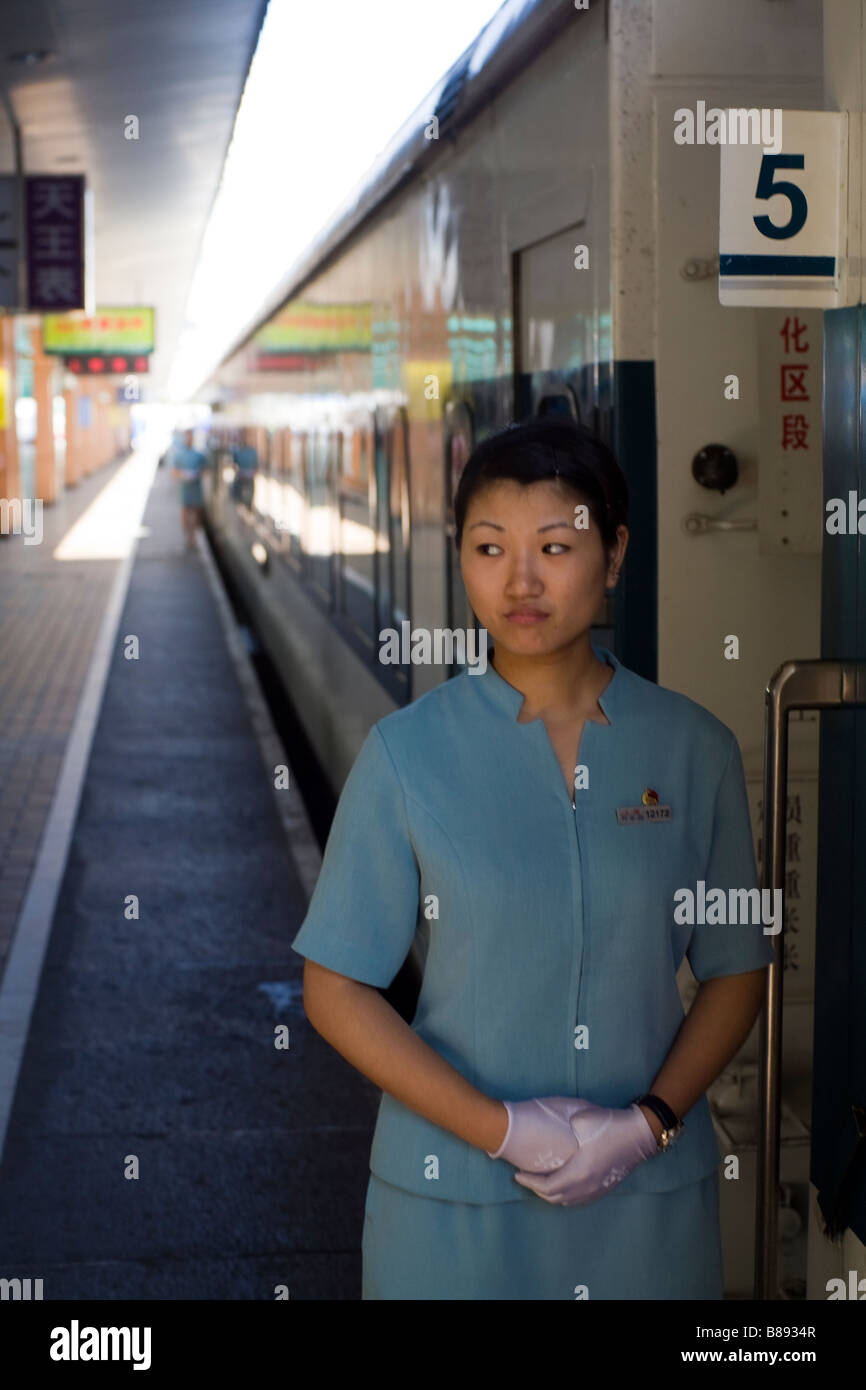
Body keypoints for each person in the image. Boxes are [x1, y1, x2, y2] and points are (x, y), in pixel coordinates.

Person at [292, 416, 775, 1301]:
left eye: (556, 545)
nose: (521, 579)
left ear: (616, 554)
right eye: (489, 547)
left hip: (647, 1208)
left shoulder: (693, 749)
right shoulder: (406, 755)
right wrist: (502, 1130)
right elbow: (335, 989)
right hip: (448, 1204)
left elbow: (739, 969)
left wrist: (651, 1122)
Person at [172, 428, 208, 551]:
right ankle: (188, 537)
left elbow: (206, 470)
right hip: (185, 489)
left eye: (191, 437)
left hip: (196, 488)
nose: (189, 439)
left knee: (195, 515)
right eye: (187, 437)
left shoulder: (199, 455)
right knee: (185, 514)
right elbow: (174, 472)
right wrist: (184, 475)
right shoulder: (179, 455)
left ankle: (193, 537)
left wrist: (197, 474)